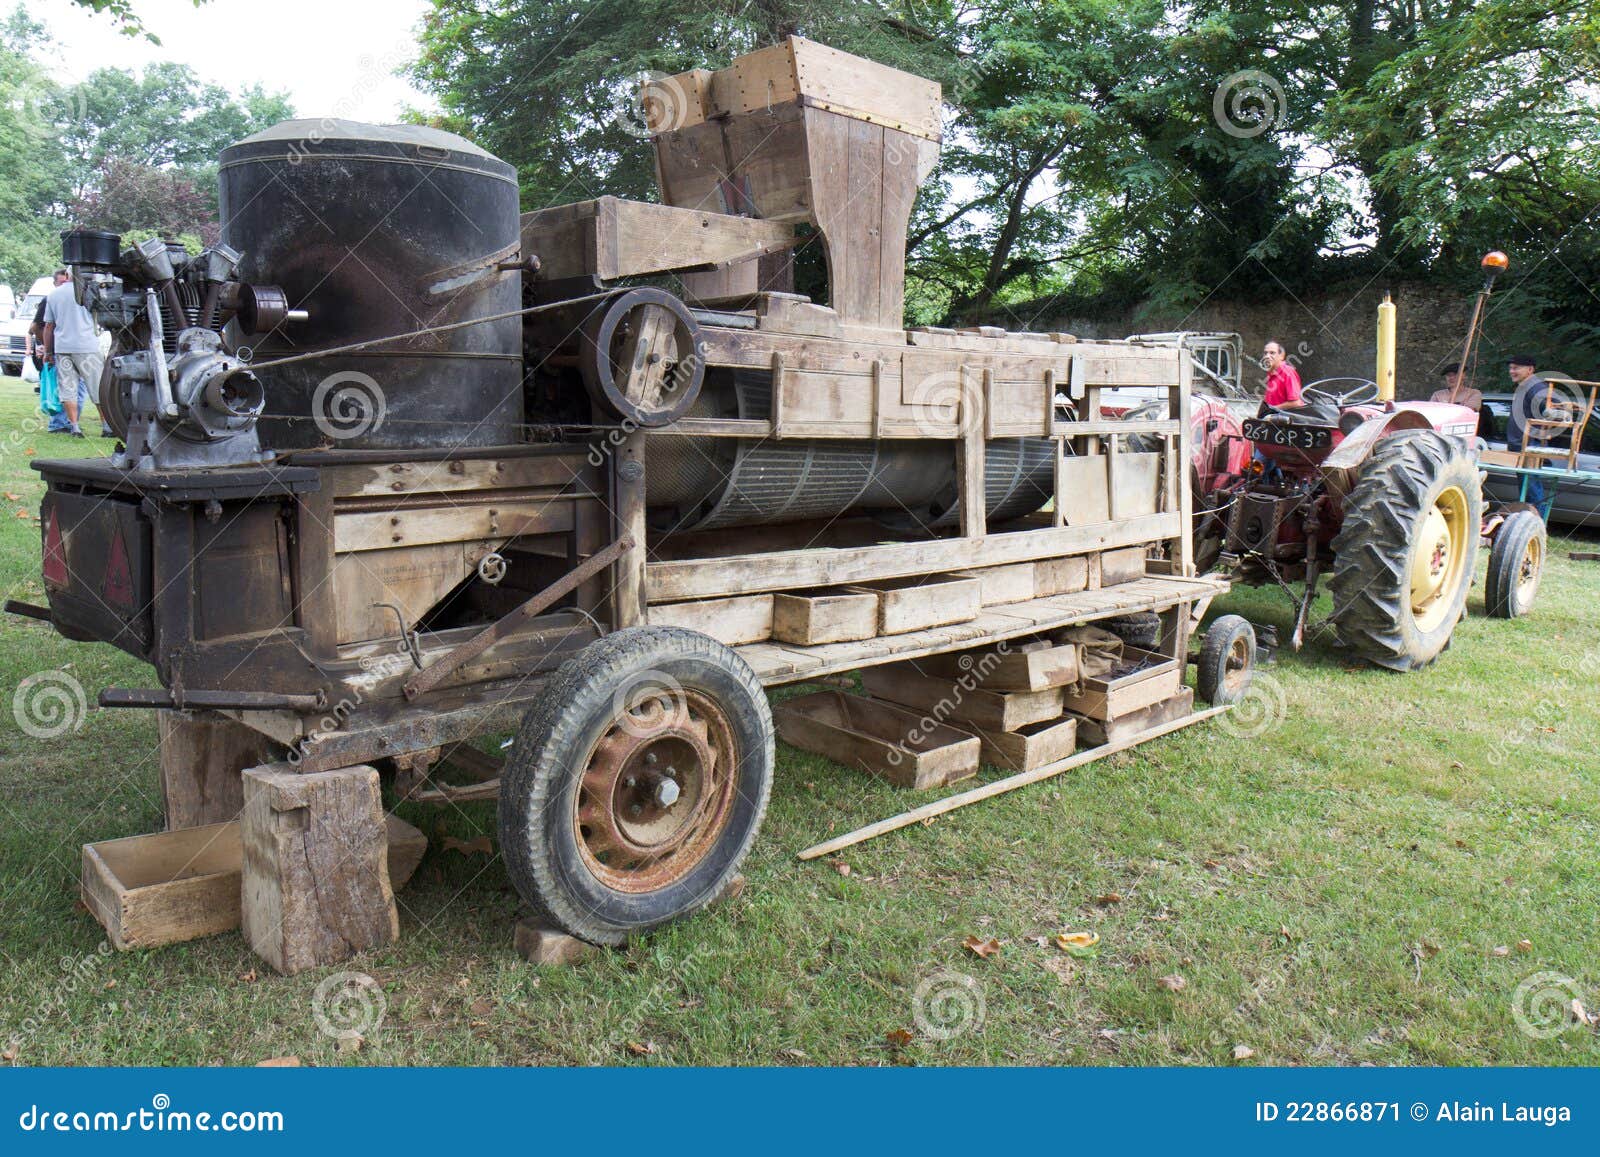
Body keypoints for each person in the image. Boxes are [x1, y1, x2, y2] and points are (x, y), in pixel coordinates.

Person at [41, 268, 109, 438]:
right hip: (87, 347)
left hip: (63, 347)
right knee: (98, 388)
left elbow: (49, 326)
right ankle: (107, 426)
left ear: (68, 275)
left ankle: (75, 427)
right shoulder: (89, 293)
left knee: (67, 388)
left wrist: (48, 351)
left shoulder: (54, 295)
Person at [30, 271, 77, 433]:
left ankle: (71, 423)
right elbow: (35, 327)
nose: (66, 285)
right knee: (61, 388)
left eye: (68, 282)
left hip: (75, 347)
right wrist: (44, 346)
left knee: (76, 389)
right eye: (63, 282)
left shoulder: (80, 298)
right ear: (56, 284)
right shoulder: (50, 299)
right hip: (58, 350)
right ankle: (58, 424)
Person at [1506, 354, 1550, 508]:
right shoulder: (1525, 386)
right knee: (1527, 490)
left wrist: (1535, 435)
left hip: (1530, 446)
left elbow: (1552, 408)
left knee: (1531, 490)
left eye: (1516, 368)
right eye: (1510, 368)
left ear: (1530, 369)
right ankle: (1530, 523)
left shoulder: (1535, 386)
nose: (1512, 371)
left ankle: (1537, 525)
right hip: (1521, 446)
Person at [1261, 340, 1303, 410]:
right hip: (1274, 419)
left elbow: (1296, 403)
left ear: (1282, 356)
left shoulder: (1287, 372)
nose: (1267, 356)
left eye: (1272, 353)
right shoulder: (1271, 374)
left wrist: (1271, 410)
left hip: (1285, 419)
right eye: (1265, 353)